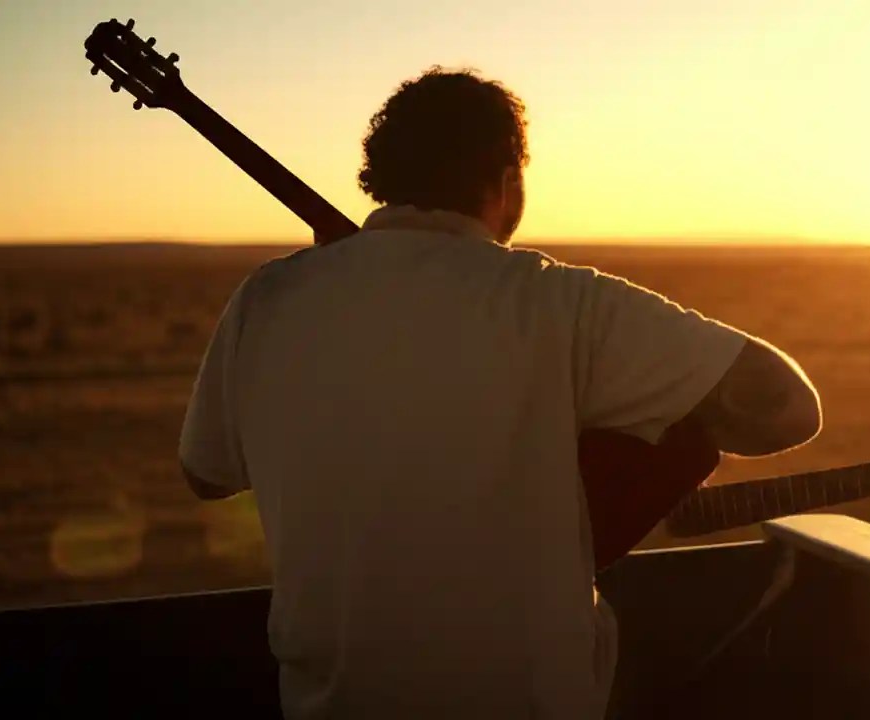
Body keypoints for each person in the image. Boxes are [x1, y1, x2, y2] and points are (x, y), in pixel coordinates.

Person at [179, 66, 821, 720]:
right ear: (507, 177)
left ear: (383, 175)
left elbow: (206, 473)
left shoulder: (267, 301)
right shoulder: (559, 302)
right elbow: (786, 407)